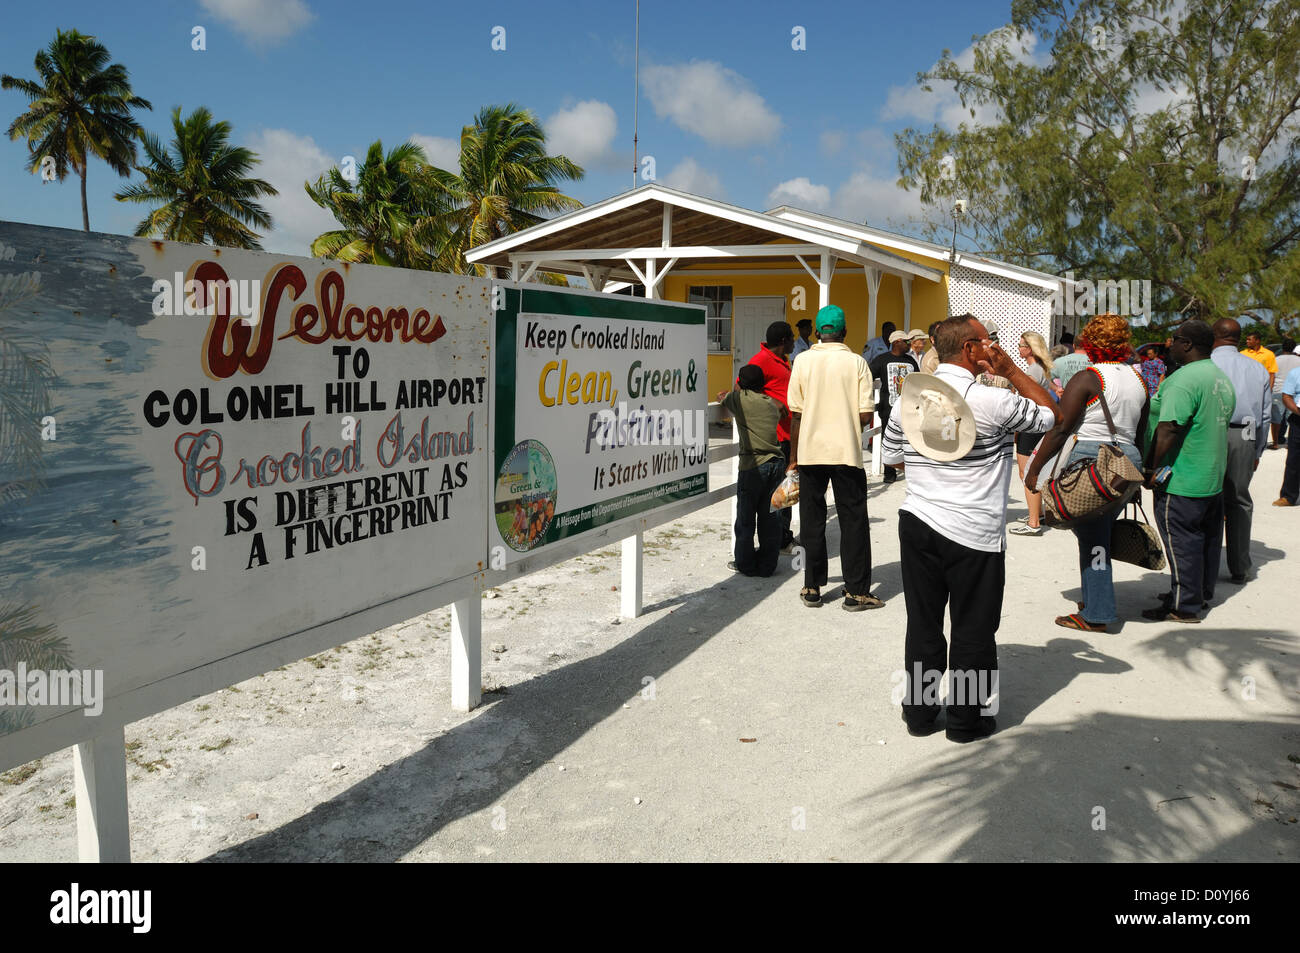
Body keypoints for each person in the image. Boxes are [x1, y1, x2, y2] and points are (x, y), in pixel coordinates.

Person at [881, 313, 1060, 742]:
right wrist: (1013, 370)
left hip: (919, 521)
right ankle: (965, 722)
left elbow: (889, 456)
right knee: (973, 629)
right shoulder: (992, 401)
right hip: (974, 532)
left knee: (922, 625)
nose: (993, 346)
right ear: (970, 350)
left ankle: (919, 716)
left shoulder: (910, 399)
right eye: (987, 341)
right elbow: (1050, 414)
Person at [1026, 314, 1149, 632]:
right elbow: (1142, 430)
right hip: (1127, 460)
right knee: (1097, 531)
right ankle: (1096, 596)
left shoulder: (1088, 377)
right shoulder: (1139, 379)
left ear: (1090, 344)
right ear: (1124, 344)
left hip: (1093, 460)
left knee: (1093, 536)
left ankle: (1098, 613)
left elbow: (1061, 428)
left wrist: (1034, 469)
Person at [1141, 320, 1235, 623]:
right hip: (1211, 477)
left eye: (1175, 339)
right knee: (1205, 542)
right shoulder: (1219, 377)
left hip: (1182, 479)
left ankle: (1185, 606)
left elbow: (1169, 427)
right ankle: (1199, 593)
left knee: (1182, 544)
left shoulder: (1182, 380)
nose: (1170, 344)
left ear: (1188, 345)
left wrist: (1150, 467)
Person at [787, 304, 880, 611]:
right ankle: (856, 592)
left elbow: (796, 415)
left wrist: (793, 459)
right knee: (853, 520)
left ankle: (811, 586)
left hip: (810, 452)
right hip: (846, 452)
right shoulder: (856, 363)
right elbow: (865, 414)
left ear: (816, 332)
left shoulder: (801, 361)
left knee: (812, 520)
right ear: (844, 332)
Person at [1210, 318, 1270, 583]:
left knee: (1206, 498)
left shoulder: (1205, 363)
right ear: (1239, 337)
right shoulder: (1256, 368)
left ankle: (1206, 566)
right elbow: (1265, 416)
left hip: (1210, 431)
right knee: (1239, 500)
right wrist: (1257, 451)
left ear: (1215, 336)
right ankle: (1240, 566)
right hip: (1245, 433)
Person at [720, 365, 785, 577]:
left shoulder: (739, 400)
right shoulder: (770, 403)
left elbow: (724, 395)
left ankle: (746, 564)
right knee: (771, 519)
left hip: (752, 466)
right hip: (776, 465)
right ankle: (767, 566)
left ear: (741, 382)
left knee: (746, 520)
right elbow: (781, 407)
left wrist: (737, 386)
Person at [745, 321, 796, 550]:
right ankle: (777, 540)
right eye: (792, 338)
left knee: (787, 490)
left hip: (788, 435)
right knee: (775, 494)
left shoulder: (781, 360)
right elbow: (742, 390)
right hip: (774, 436)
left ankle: (783, 536)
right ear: (784, 340)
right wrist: (772, 401)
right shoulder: (760, 360)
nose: (795, 342)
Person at [1009, 331, 1056, 536]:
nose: (1018, 348)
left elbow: (1023, 394)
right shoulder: (1041, 368)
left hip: (1031, 424)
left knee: (1027, 473)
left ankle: (1033, 521)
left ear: (1029, 348)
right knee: (1036, 471)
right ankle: (1039, 513)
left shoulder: (1033, 370)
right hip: (1039, 424)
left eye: (1021, 345)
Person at [868, 330, 919, 484]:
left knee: (910, 441)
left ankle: (911, 470)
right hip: (888, 409)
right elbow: (868, 375)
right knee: (888, 441)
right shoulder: (882, 359)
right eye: (906, 341)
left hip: (909, 409)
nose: (909, 344)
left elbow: (917, 381)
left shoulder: (911, 361)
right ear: (897, 342)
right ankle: (889, 473)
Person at [1273, 360, 1300, 507]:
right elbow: (1286, 397)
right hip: (1298, 419)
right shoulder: (1295, 373)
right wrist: (1297, 410)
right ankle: (1288, 496)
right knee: (1294, 460)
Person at [1270, 338, 1299, 448]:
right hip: (1294, 393)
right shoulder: (1298, 360)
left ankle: (1275, 443)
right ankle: (1290, 441)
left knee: (1276, 418)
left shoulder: (1276, 360)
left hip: (1278, 390)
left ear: (1282, 347)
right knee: (1291, 418)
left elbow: (1272, 375)